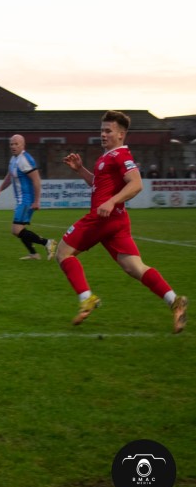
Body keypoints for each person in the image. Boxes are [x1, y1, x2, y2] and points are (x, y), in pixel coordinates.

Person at [56, 110, 188, 333]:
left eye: (108, 131)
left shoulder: (121, 156)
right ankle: (174, 300)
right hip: (116, 221)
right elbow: (98, 186)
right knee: (135, 267)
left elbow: (136, 184)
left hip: (102, 218)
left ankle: (87, 298)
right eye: (102, 130)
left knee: (62, 252)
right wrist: (80, 170)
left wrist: (111, 202)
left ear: (121, 134)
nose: (103, 134)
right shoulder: (106, 157)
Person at [0, 134, 57, 260]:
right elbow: (9, 177)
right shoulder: (13, 159)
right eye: (11, 144)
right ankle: (34, 253)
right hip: (21, 200)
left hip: (27, 200)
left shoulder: (25, 160)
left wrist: (37, 201)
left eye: (17, 144)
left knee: (16, 230)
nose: (13, 146)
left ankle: (48, 243)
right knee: (19, 230)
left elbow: (36, 180)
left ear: (23, 145)